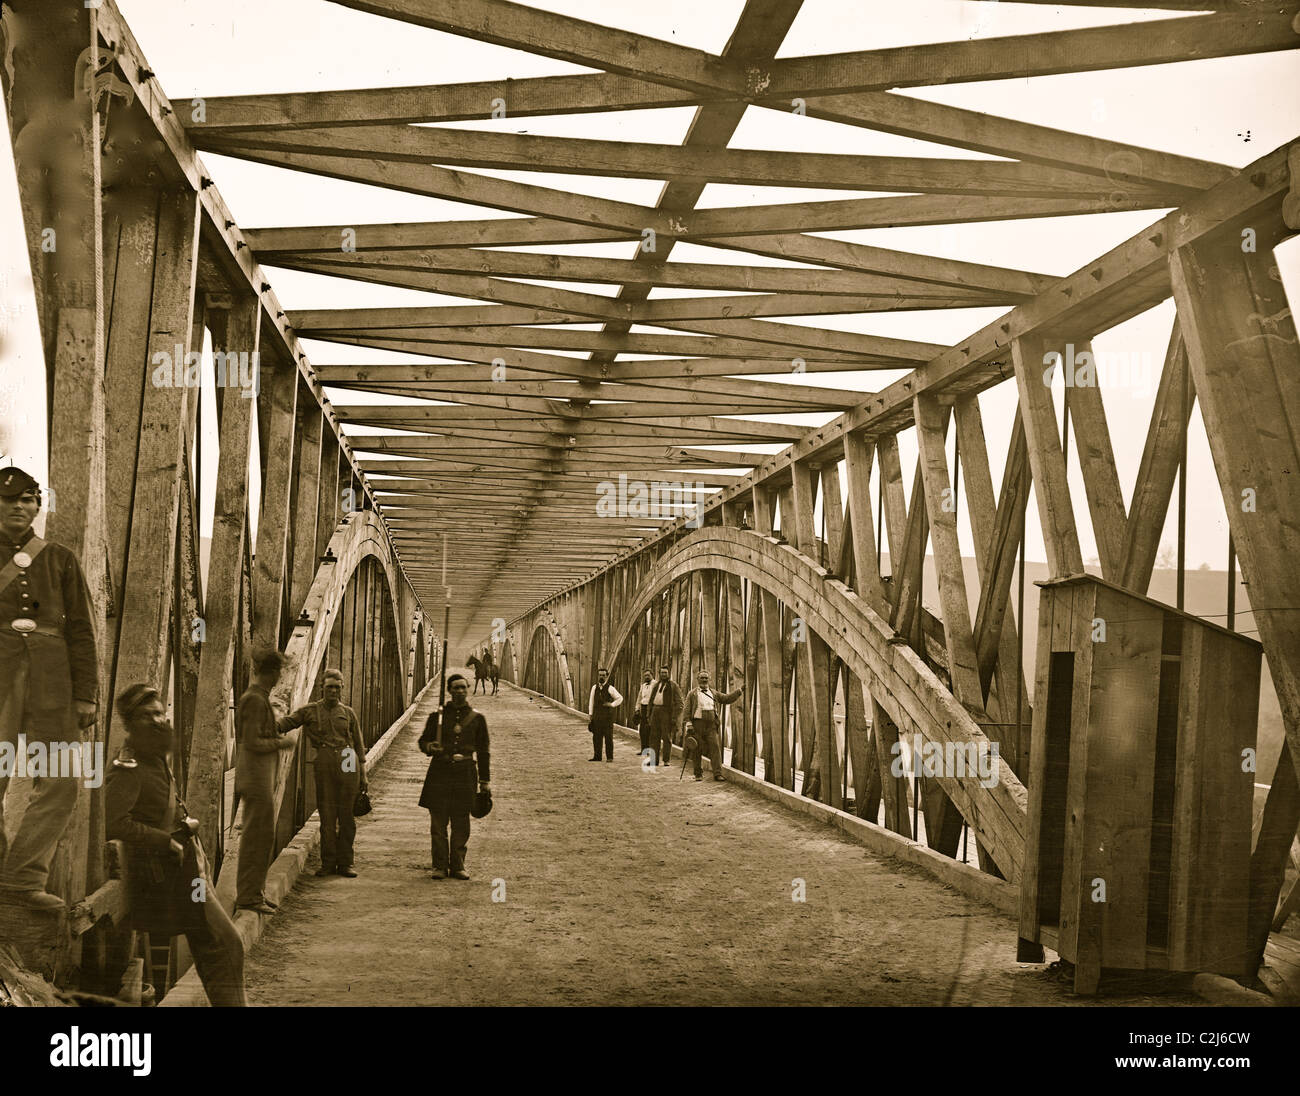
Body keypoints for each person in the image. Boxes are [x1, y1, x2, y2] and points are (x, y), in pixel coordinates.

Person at [105, 684, 246, 1006]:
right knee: (223, 944)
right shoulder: (128, 767)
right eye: (145, 715)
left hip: (188, 867)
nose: (156, 720)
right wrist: (163, 841)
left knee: (220, 945)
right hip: (172, 873)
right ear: (128, 723)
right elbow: (114, 822)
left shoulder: (153, 756)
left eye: (159, 713)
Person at [0, 466, 98, 909]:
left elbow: (82, 629)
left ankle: (22, 878)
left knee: (61, 781)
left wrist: (86, 694)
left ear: (38, 506)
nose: (17, 507)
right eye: (8, 501)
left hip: (54, 685)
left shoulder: (60, 558)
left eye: (26, 499)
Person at [278, 668, 368, 878]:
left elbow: (359, 745)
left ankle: (346, 863)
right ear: (322, 688)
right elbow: (287, 722)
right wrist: (266, 724)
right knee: (327, 815)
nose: (333, 691)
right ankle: (328, 863)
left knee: (346, 815)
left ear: (342, 688)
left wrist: (363, 775)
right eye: (329, 687)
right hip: (325, 759)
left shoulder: (348, 713)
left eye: (337, 687)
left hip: (347, 759)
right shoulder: (310, 710)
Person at [233, 648, 294, 914]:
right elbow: (253, 741)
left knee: (261, 836)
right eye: (280, 671)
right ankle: (249, 896)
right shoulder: (256, 700)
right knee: (256, 838)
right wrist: (282, 742)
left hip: (259, 777)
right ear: (273, 672)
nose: (281, 677)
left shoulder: (257, 698)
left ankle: (254, 892)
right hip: (257, 778)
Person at [418, 675, 490, 880]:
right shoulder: (437, 717)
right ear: (449, 691)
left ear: (467, 689)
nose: (459, 691)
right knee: (438, 824)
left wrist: (485, 781)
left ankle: (458, 865)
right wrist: (429, 747)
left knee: (461, 822)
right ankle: (439, 866)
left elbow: (484, 752)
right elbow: (423, 741)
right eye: (455, 688)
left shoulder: (477, 719)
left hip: (465, 773)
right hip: (440, 772)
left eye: (462, 688)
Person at [682, 669, 744, 782]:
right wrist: (689, 724)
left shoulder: (713, 693)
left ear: (709, 679)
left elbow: (726, 698)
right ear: (697, 680)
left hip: (711, 725)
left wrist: (739, 691)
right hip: (697, 724)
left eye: (706, 678)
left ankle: (717, 774)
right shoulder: (692, 694)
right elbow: (686, 711)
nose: (704, 680)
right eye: (702, 678)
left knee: (715, 748)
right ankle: (698, 774)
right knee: (697, 749)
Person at [645, 666, 682, 769]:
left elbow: (680, 703)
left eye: (665, 673)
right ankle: (653, 760)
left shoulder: (673, 686)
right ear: (659, 674)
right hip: (655, 711)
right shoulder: (656, 685)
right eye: (662, 673)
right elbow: (651, 700)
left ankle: (666, 760)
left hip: (666, 712)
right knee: (653, 737)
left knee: (666, 737)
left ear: (668, 673)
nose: (663, 675)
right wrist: (649, 714)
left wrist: (674, 717)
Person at [586, 668, 623, 762]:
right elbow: (591, 701)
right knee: (596, 737)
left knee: (608, 737)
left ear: (606, 676)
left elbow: (620, 698)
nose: (601, 677)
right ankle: (597, 756)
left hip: (607, 717)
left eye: (603, 675)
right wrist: (590, 714)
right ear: (598, 676)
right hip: (597, 716)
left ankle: (609, 757)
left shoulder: (610, 688)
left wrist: (612, 704)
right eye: (600, 675)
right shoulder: (594, 688)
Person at [632, 669, 655, 757]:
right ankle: (643, 750)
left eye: (648, 675)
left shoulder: (655, 684)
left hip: (651, 708)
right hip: (643, 708)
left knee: (649, 729)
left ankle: (650, 750)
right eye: (645, 675)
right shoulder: (643, 686)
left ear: (652, 675)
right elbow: (639, 698)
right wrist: (637, 709)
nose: (646, 677)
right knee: (642, 730)